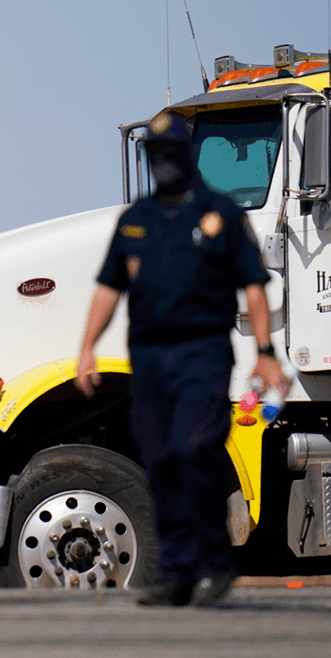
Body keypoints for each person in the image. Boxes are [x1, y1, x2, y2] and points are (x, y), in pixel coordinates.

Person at [75, 110, 286, 608]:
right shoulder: (136, 221)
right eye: (155, 154)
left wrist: (264, 351)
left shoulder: (221, 215)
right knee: (161, 459)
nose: (162, 162)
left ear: (185, 155)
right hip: (148, 358)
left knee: (197, 452)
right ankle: (178, 573)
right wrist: (85, 348)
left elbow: (254, 286)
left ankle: (216, 564)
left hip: (202, 353)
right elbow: (107, 289)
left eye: (171, 153)